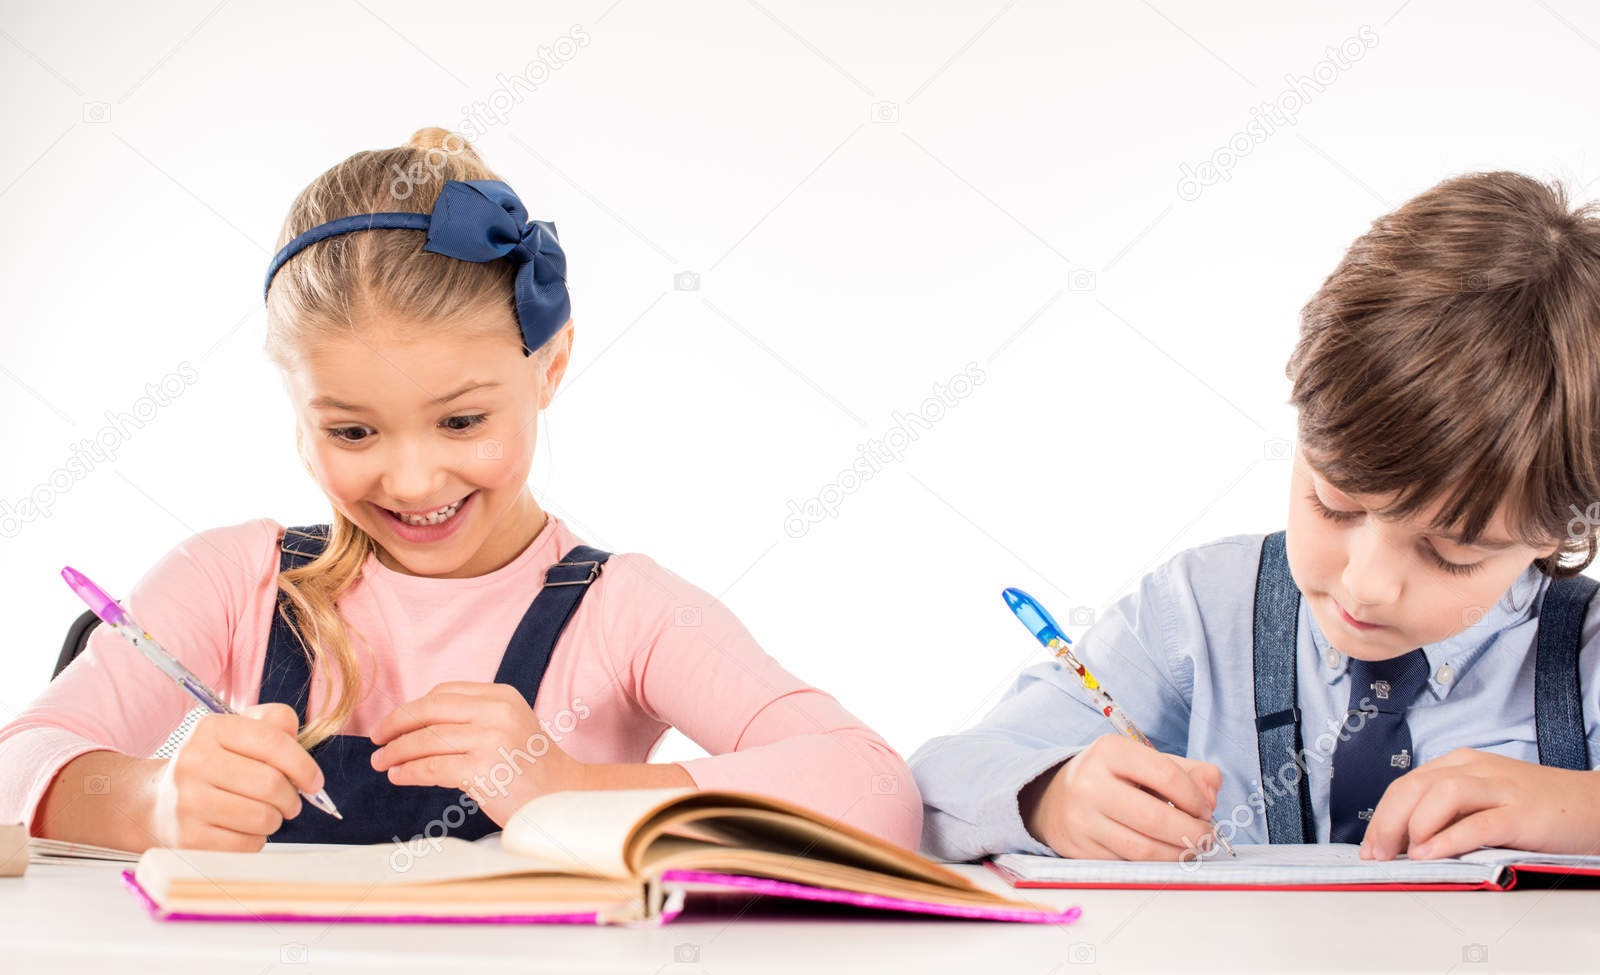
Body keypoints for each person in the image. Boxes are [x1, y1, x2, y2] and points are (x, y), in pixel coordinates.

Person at [0, 128, 918, 854]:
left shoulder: (624, 613)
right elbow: (15, 766)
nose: (412, 481)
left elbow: (873, 789)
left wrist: (569, 789)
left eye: (462, 421)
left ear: (548, 364)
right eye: (351, 432)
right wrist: (152, 799)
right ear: (296, 406)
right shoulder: (234, 583)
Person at [912, 171, 1600, 863]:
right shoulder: (1199, 615)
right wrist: (1049, 798)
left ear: (1564, 528)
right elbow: (938, 785)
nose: (1365, 585)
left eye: (1452, 552)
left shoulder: (1587, 656)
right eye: (1334, 503)